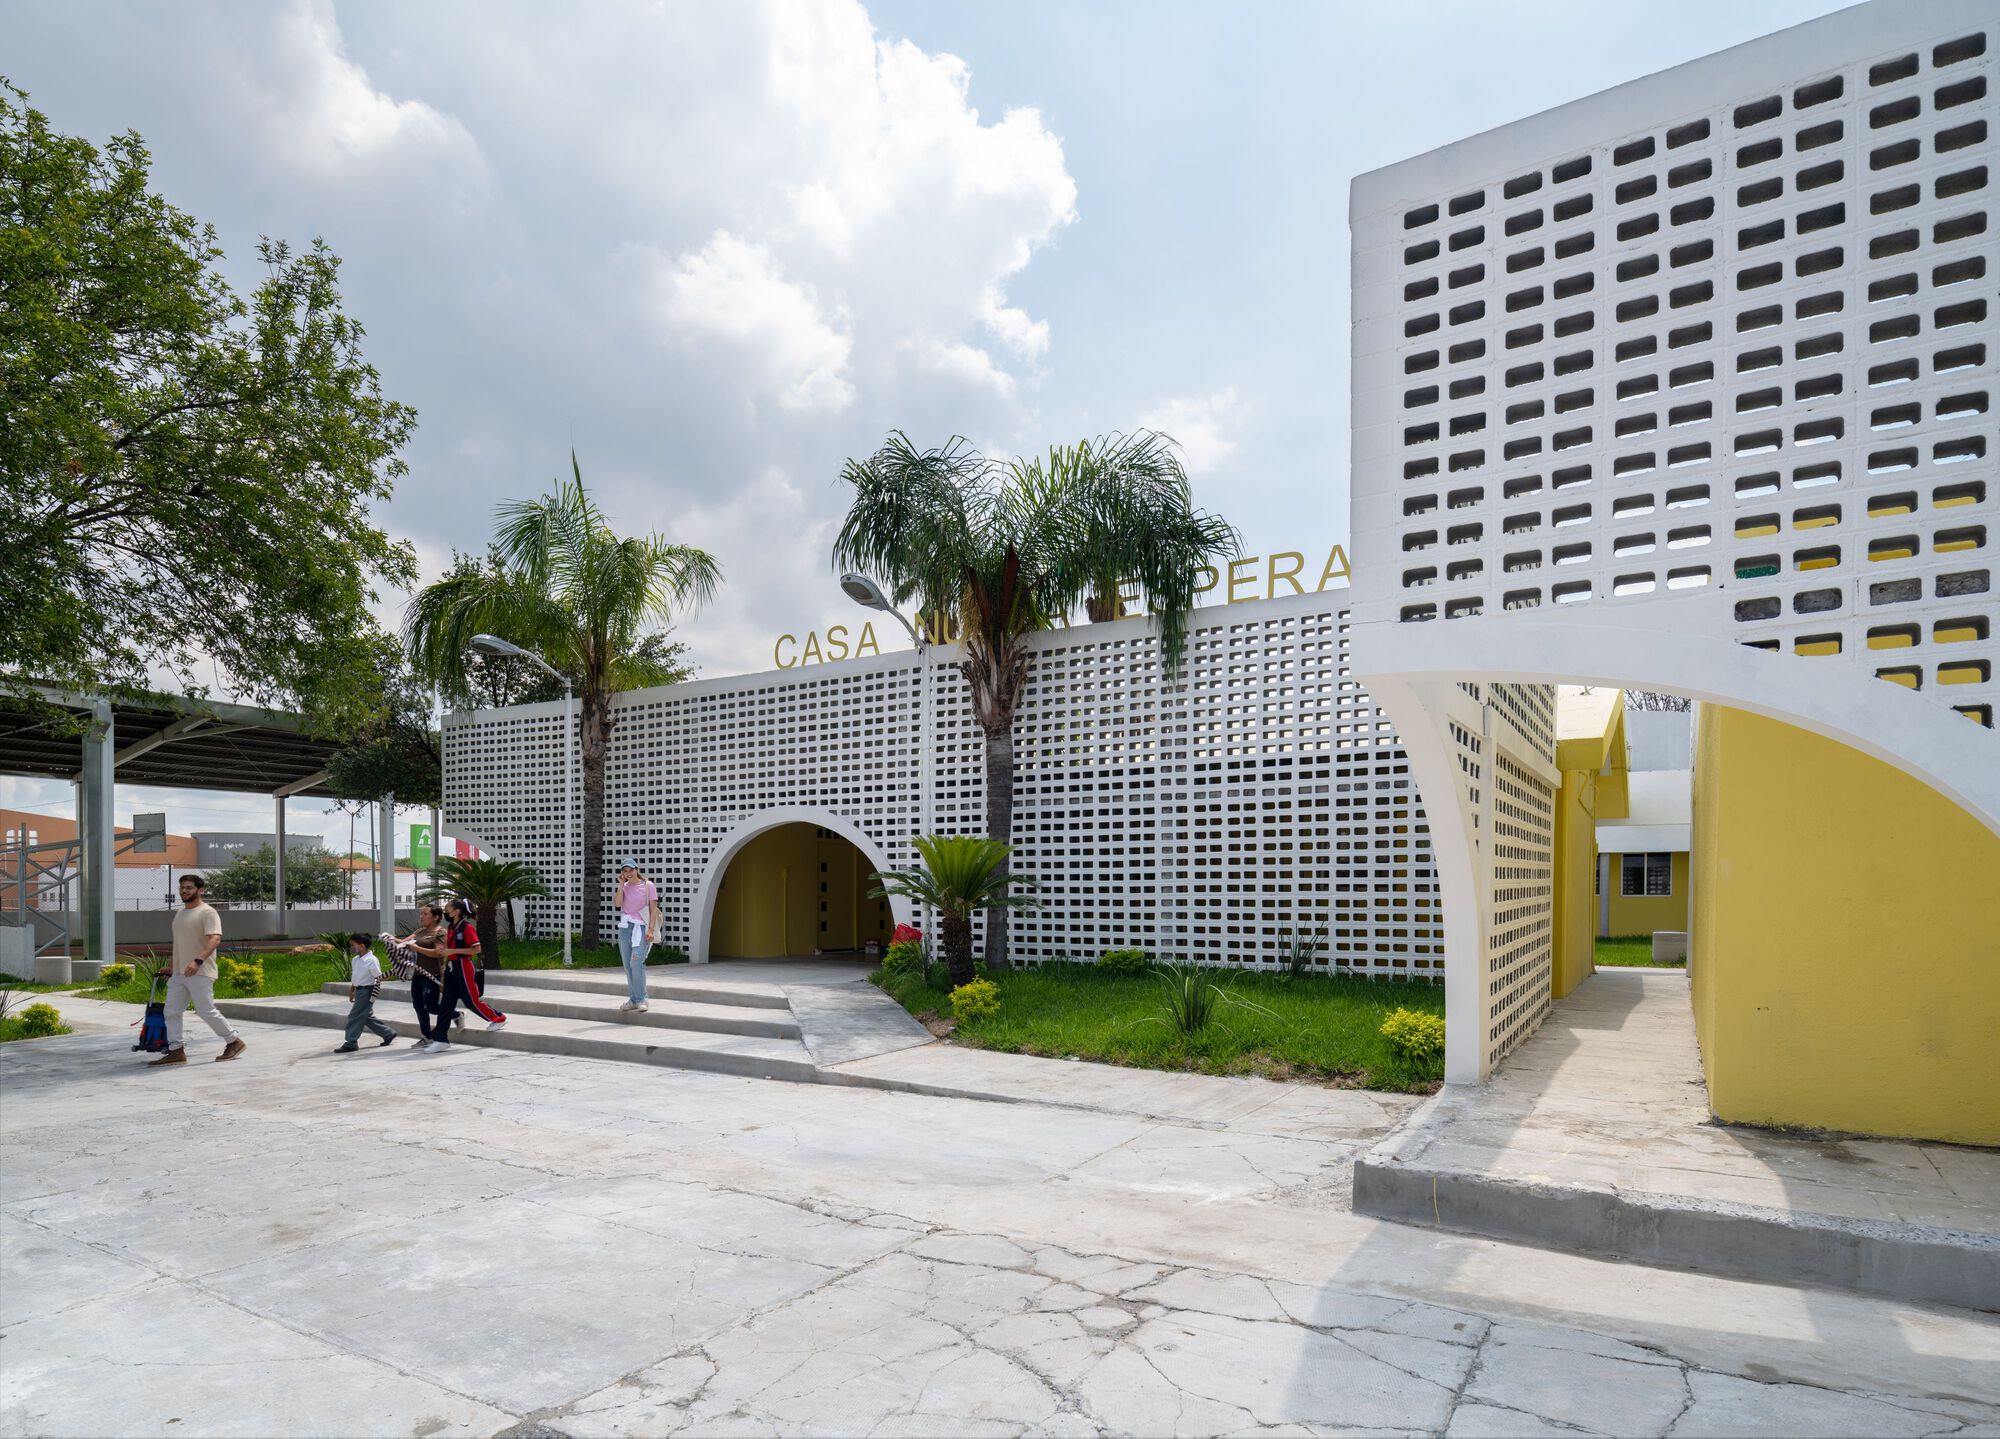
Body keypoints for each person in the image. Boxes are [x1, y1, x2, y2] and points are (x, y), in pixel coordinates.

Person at [147, 873, 246, 1066]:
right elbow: (179, 943)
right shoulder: (180, 913)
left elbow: (215, 939)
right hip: (179, 973)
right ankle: (176, 1051)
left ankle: (234, 1041)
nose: (184, 891)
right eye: (182, 887)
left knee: (205, 1010)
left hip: (200, 970)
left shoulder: (208, 912)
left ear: (201, 890)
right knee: (171, 1011)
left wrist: (197, 961)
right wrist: (172, 966)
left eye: (189, 888)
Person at [431, 896, 506, 1048]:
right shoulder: (452, 927)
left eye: (448, 908)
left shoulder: (466, 927)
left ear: (456, 911)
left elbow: (476, 949)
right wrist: (443, 950)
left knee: (471, 1001)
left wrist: (452, 951)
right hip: (452, 967)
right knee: (446, 1003)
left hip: (463, 967)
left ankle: (499, 1018)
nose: (446, 910)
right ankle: (440, 1039)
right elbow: (450, 948)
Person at [383, 904, 451, 1044]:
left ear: (436, 917)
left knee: (431, 1006)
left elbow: (438, 953)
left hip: (433, 974)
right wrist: (389, 938)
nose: (421, 917)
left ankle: (456, 1014)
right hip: (417, 974)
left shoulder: (440, 932)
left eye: (425, 914)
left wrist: (417, 948)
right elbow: (403, 943)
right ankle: (427, 1037)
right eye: (421, 914)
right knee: (418, 1007)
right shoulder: (420, 931)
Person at [336, 933, 397, 1053]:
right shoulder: (355, 960)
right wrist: (352, 989)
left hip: (368, 990)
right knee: (365, 1016)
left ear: (362, 946)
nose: (351, 948)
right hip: (359, 990)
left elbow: (378, 977)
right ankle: (388, 1033)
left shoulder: (371, 960)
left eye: (353, 945)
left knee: (355, 1016)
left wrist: (392, 973)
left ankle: (351, 1042)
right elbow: (356, 977)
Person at [614, 859, 661, 1013]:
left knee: (636, 963)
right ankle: (633, 999)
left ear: (636, 869)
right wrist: (621, 885)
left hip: (641, 928)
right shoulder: (624, 886)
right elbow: (618, 904)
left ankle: (642, 999)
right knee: (627, 965)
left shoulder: (648, 885)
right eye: (625, 871)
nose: (628, 873)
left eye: (631, 870)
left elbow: (653, 910)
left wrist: (651, 930)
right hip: (625, 928)